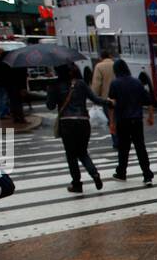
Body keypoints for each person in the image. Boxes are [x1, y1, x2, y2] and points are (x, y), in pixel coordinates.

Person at [47, 62, 113, 193]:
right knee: (82, 152)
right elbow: (95, 98)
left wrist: (50, 91)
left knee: (71, 155)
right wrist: (108, 102)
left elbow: (50, 106)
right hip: (83, 121)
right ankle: (94, 173)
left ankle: (77, 183)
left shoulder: (55, 85)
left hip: (67, 123)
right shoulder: (81, 84)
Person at [108, 58, 155, 183]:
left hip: (122, 120)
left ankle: (121, 172)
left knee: (123, 148)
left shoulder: (115, 83)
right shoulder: (137, 82)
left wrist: (111, 122)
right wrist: (150, 116)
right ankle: (147, 174)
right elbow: (148, 100)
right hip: (137, 119)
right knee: (140, 147)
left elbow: (111, 104)